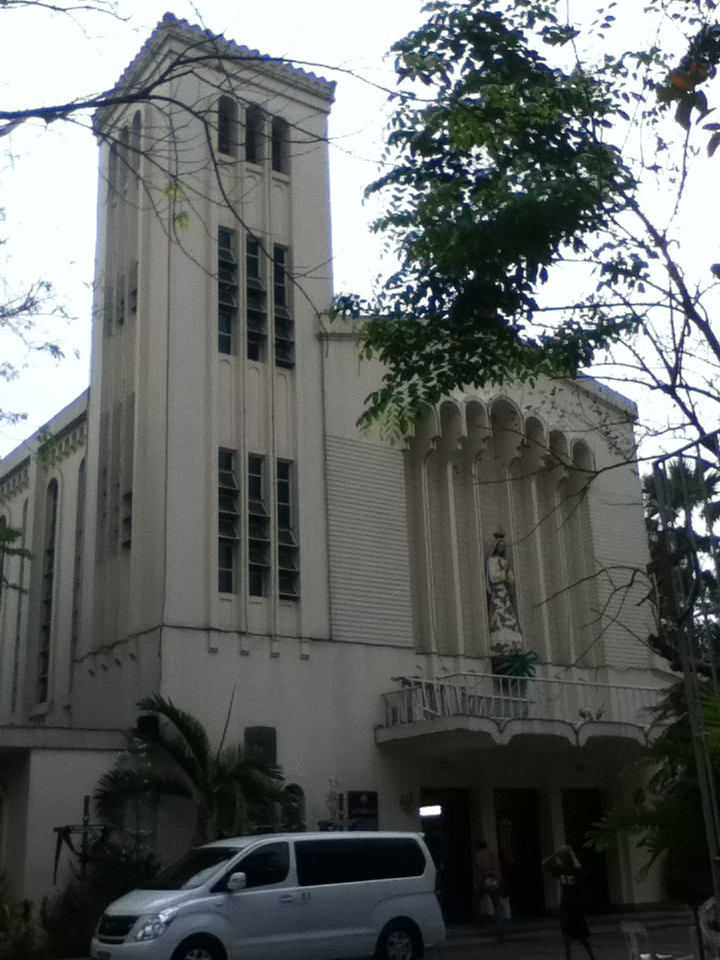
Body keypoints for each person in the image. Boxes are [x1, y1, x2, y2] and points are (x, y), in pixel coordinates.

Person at [545, 846, 597, 960]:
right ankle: (571, 957)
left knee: (579, 937)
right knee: (567, 936)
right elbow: (546, 864)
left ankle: (591, 956)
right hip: (567, 906)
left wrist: (566, 854)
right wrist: (557, 854)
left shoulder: (571, 871)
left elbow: (580, 869)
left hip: (574, 906)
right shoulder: (562, 870)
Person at [486, 537, 524, 649]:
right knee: (498, 613)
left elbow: (511, 579)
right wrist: (503, 572)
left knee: (508, 613)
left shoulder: (504, 562)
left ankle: (510, 639)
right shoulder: (492, 561)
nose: (502, 548)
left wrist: (508, 574)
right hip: (497, 591)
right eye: (500, 545)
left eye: (503, 546)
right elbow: (493, 577)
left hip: (504, 591)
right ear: (496, 546)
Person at [474, 837, 505, 941]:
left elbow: (479, 870)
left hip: (486, 880)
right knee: (497, 905)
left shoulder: (480, 855)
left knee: (475, 900)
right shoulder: (493, 853)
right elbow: (499, 867)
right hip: (496, 880)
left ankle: (477, 921)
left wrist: (478, 884)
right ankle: (500, 929)